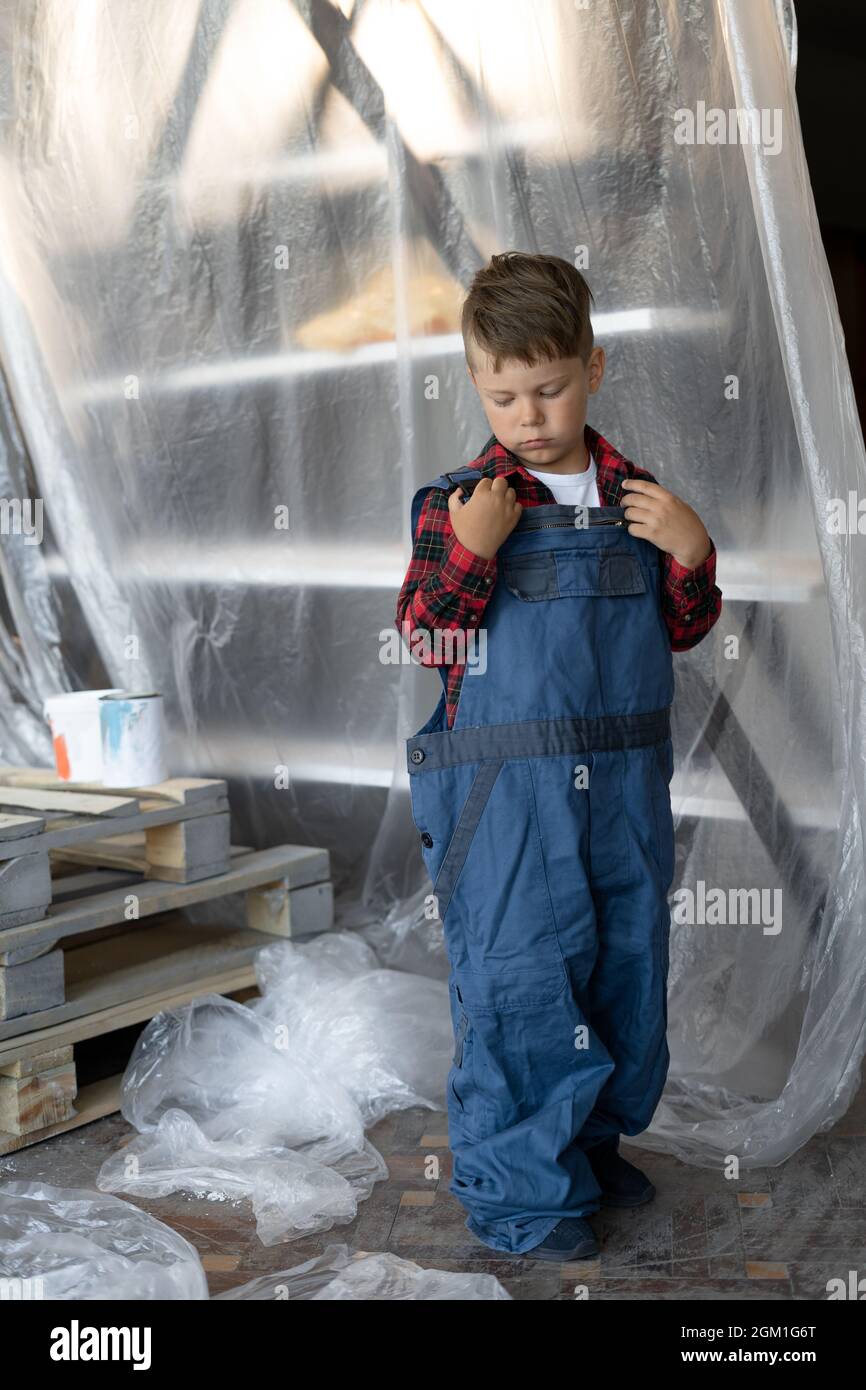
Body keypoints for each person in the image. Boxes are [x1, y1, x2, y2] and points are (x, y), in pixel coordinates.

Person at [395, 251, 722, 1261]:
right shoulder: (457, 504)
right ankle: (519, 1194)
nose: (528, 417)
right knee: (521, 980)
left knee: (619, 966)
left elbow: (681, 630)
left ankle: (583, 1151)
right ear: (474, 382)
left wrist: (692, 554)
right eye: (502, 395)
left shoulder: (639, 498)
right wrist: (471, 551)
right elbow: (425, 635)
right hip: (504, 790)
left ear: (593, 366)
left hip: (620, 783)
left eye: (548, 388)